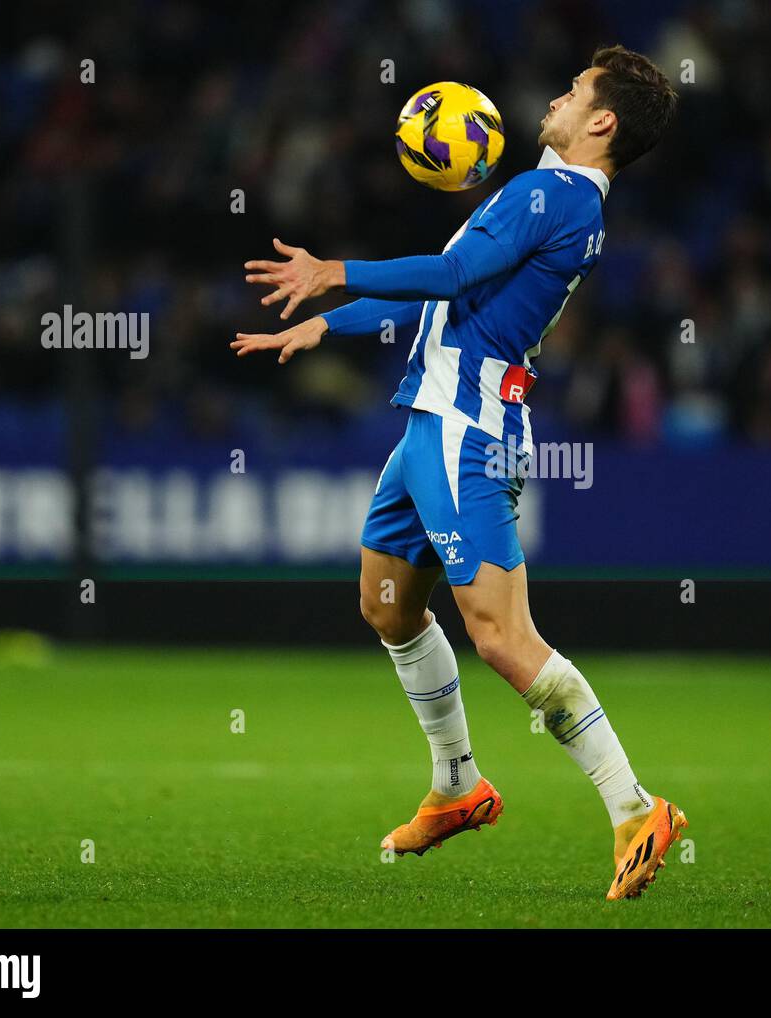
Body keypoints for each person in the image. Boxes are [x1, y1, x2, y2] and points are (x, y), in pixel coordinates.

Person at [232, 46, 684, 900]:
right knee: (388, 605)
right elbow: (445, 297)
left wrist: (336, 270)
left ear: (602, 122)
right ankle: (457, 785)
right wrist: (331, 322)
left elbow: (449, 273)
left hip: (465, 432)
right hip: (432, 427)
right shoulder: (558, 199)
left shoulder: (548, 193)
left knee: (503, 637)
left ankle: (634, 807)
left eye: (573, 91)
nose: (553, 96)